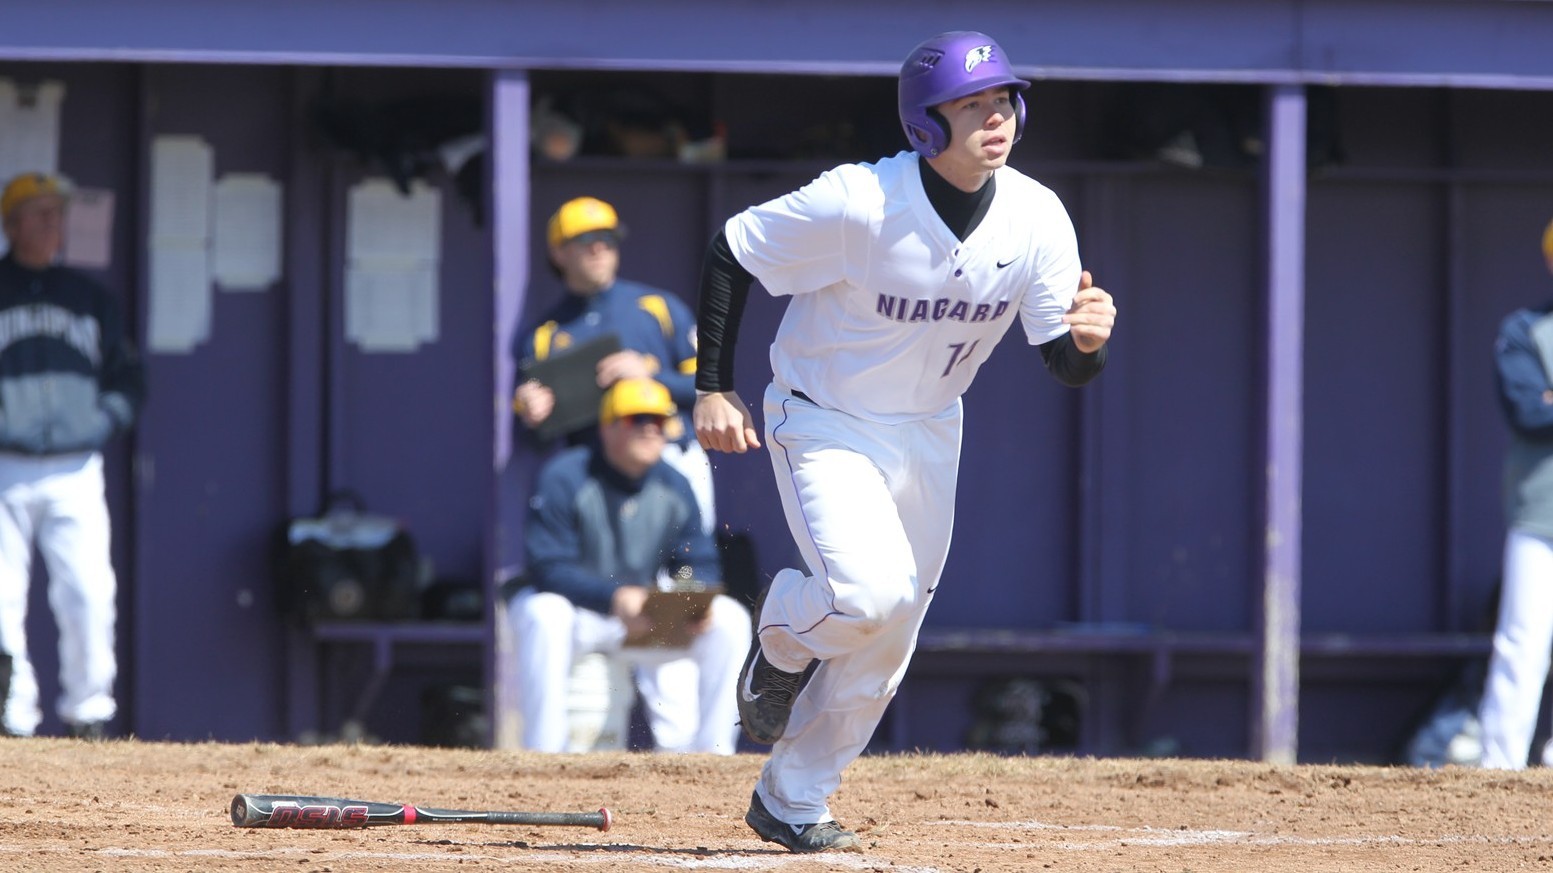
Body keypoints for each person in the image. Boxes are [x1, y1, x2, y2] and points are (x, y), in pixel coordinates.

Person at [691, 31, 1117, 852]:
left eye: (1003, 101)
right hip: (825, 416)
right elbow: (733, 250)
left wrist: (1089, 345)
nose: (996, 118)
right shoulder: (860, 200)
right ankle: (781, 631)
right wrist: (712, 385)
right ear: (926, 124)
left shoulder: (1036, 215)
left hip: (929, 428)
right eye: (972, 105)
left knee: (891, 634)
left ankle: (791, 798)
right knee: (867, 594)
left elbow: (1061, 361)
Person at [505, 378, 751, 754]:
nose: (651, 428)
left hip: (644, 617)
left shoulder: (676, 483)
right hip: (581, 615)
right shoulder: (567, 475)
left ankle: (714, 756)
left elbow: (698, 563)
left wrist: (689, 600)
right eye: (637, 418)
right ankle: (544, 752)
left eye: (659, 419)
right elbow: (547, 567)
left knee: (729, 619)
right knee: (542, 612)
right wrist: (613, 597)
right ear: (607, 426)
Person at [0, 172, 145, 740]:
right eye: (39, 213)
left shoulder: (90, 299)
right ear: (12, 225)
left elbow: (128, 377)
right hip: (4, 464)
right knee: (0, 596)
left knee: (88, 591)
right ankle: (12, 715)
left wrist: (103, 419)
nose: (52, 224)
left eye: (57, 214)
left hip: (74, 466)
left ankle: (89, 713)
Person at [512, 196, 715, 534]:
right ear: (558, 252)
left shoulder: (657, 306)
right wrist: (534, 415)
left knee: (685, 581)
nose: (598, 249)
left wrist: (650, 377)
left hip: (669, 452)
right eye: (584, 241)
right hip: (596, 470)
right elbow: (537, 442)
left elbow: (709, 388)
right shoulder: (545, 335)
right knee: (614, 580)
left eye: (607, 239)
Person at [1477, 217, 1553, 770]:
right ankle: (1498, 766)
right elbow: (1529, 410)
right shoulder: (1526, 328)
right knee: (1522, 644)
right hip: (1540, 512)